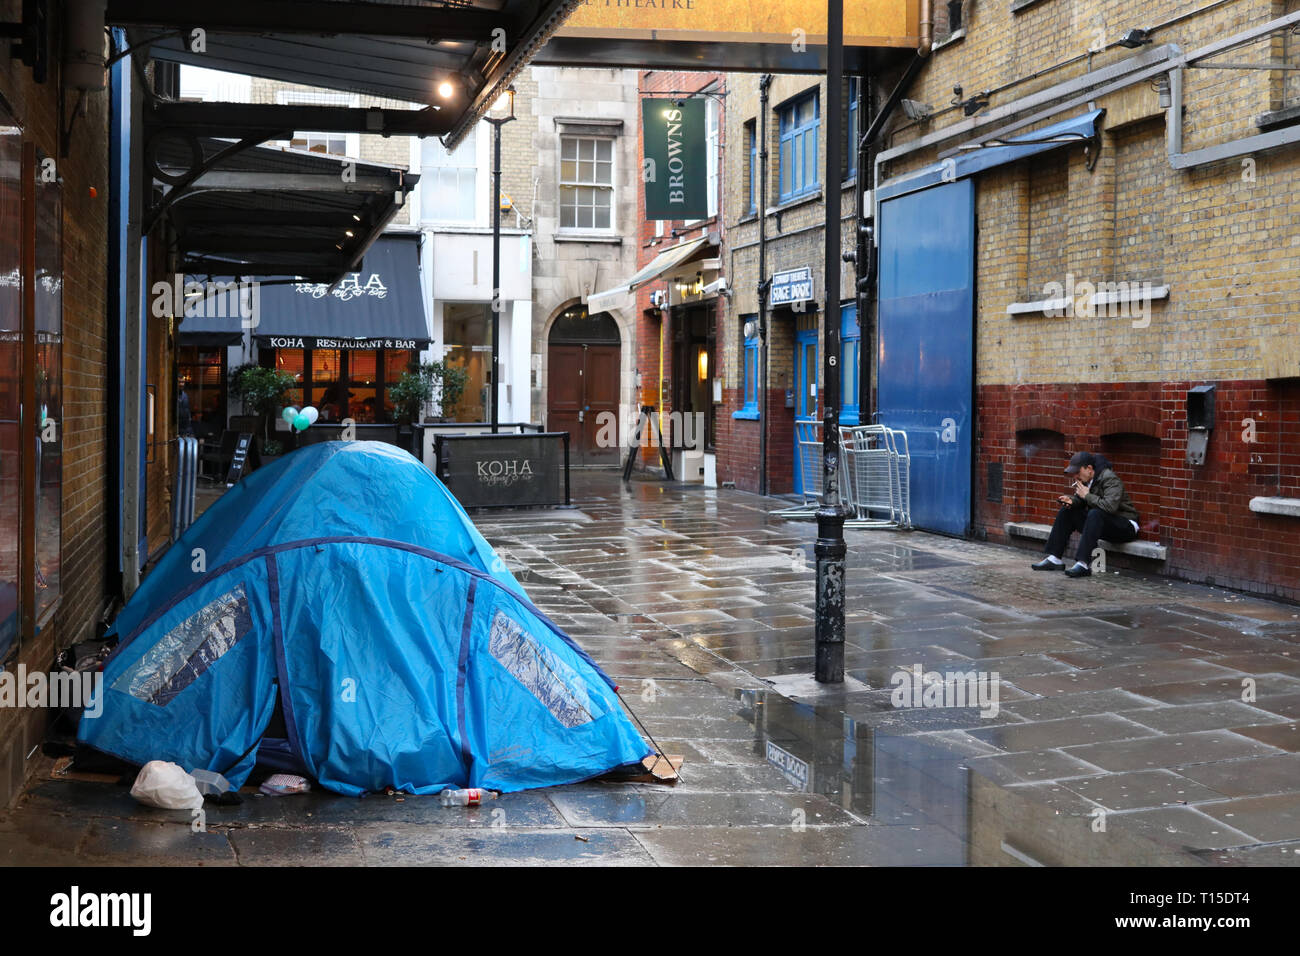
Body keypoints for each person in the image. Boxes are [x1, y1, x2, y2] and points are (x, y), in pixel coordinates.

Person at [1031, 451, 1140, 578]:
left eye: (1078, 472)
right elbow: (1083, 500)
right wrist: (1072, 501)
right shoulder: (1086, 480)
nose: (1075, 476)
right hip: (1102, 525)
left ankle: (1083, 564)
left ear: (1089, 468)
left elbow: (1110, 507)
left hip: (1125, 526)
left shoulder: (1110, 478)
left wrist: (1087, 495)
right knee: (1067, 511)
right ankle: (1054, 558)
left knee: (1095, 514)